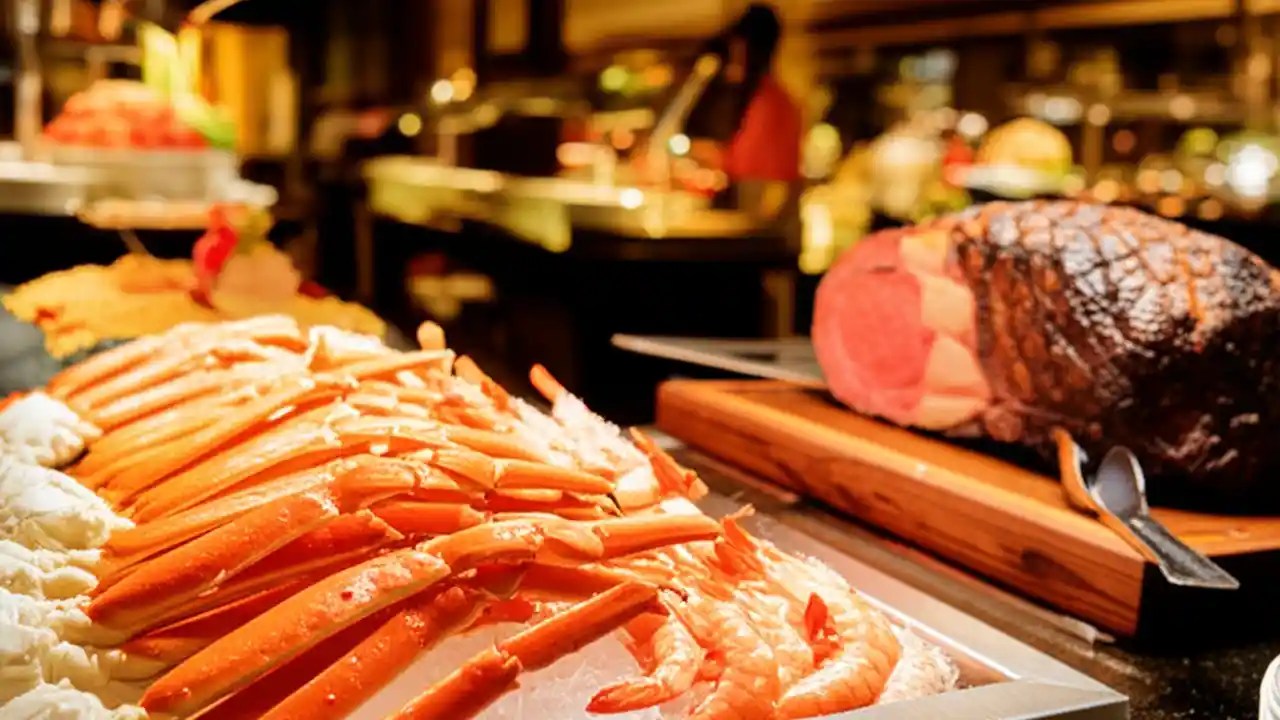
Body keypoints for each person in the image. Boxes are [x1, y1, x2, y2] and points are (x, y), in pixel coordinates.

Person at [684, 3, 802, 219]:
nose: (732, 67)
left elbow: (751, 162)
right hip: (760, 198)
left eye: (738, 55)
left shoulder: (769, 101)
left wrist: (710, 155)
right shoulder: (771, 97)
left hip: (760, 203)